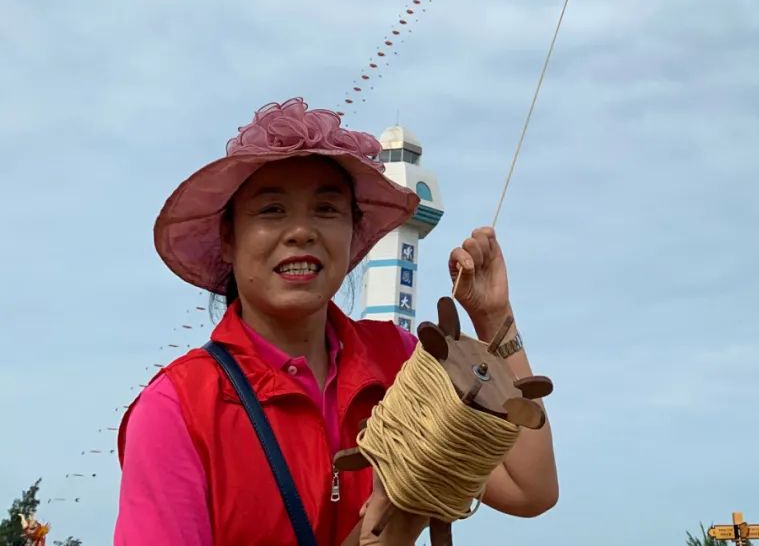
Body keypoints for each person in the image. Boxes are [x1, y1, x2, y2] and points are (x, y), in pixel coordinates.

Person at [115, 99, 558, 545]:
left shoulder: (402, 362)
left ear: (354, 232)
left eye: (326, 210)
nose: (302, 231)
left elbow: (530, 488)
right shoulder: (179, 408)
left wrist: (493, 318)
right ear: (228, 239)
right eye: (271, 210)